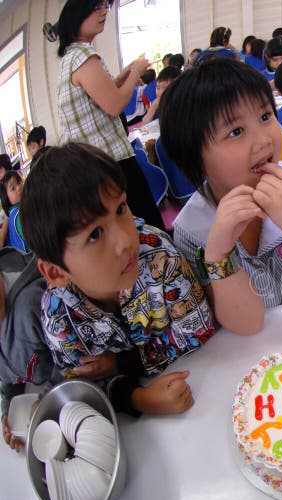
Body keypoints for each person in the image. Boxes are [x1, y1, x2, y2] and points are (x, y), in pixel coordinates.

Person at [158, 58, 282, 335]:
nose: (263, 140)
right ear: (196, 158)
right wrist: (217, 255)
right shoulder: (193, 229)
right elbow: (247, 326)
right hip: (257, 361)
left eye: (265, 117)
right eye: (236, 131)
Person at [21, 143, 216, 416]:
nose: (125, 241)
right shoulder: (59, 317)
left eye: (120, 209)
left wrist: (122, 363)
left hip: (205, 385)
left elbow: (199, 328)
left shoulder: (158, 255)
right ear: (56, 273)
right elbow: (82, 387)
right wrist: (137, 399)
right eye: (94, 234)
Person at [56, 0, 164, 230]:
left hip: (95, 166)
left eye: (105, 6)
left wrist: (120, 79)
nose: (104, 11)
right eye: (96, 6)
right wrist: (136, 72)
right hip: (113, 163)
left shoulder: (70, 58)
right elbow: (114, 105)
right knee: (149, 228)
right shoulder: (83, 55)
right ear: (76, 14)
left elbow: (97, 103)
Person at [0, 247, 59, 452]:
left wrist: (46, 399)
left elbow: (74, 359)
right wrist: (8, 411)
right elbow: (7, 376)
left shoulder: (32, 303)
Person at [0, 171, 27, 252]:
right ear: (6, 197)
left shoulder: (12, 213)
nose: (19, 187)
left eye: (19, 182)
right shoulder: (20, 215)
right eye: (13, 188)